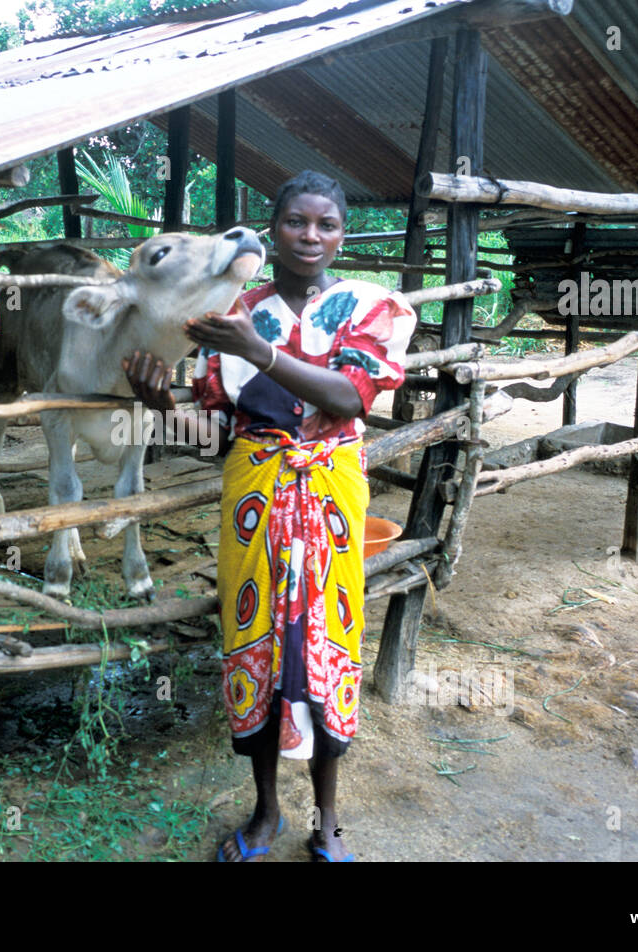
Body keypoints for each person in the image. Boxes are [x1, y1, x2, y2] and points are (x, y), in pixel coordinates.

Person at [122, 170, 416, 861]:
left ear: (342, 234)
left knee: (326, 646)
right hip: (253, 495)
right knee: (253, 641)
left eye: (327, 225)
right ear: (272, 225)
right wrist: (161, 405)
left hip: (331, 493)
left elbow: (349, 397)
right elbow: (216, 430)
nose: (310, 236)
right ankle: (265, 812)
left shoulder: (373, 307)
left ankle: (329, 816)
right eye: (295, 222)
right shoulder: (230, 310)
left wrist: (261, 351)